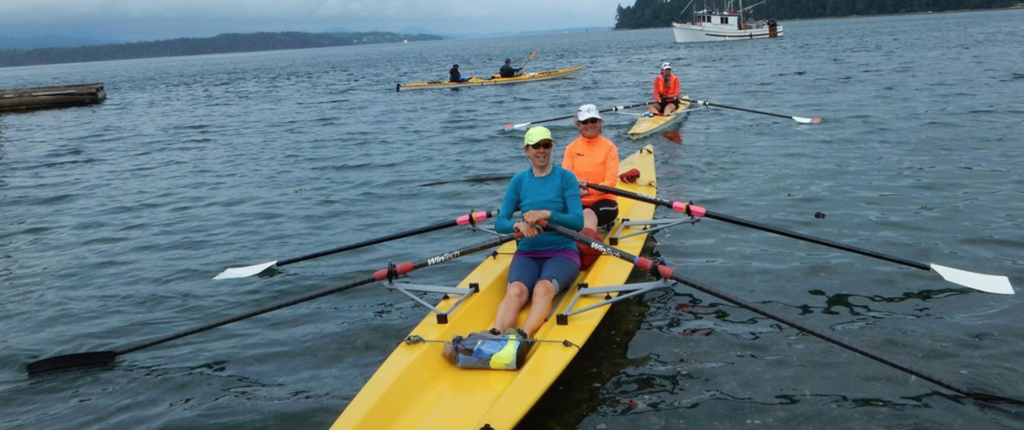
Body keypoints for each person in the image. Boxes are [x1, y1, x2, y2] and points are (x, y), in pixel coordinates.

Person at [492, 126, 584, 337]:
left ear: (551, 147)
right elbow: (500, 223)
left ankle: (523, 336)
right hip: (527, 252)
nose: (541, 150)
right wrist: (518, 226)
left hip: (562, 251)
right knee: (516, 291)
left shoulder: (566, 178)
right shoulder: (519, 181)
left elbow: (578, 222)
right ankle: (494, 335)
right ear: (527, 150)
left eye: (546, 145)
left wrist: (548, 214)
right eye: (536, 146)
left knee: (542, 289)